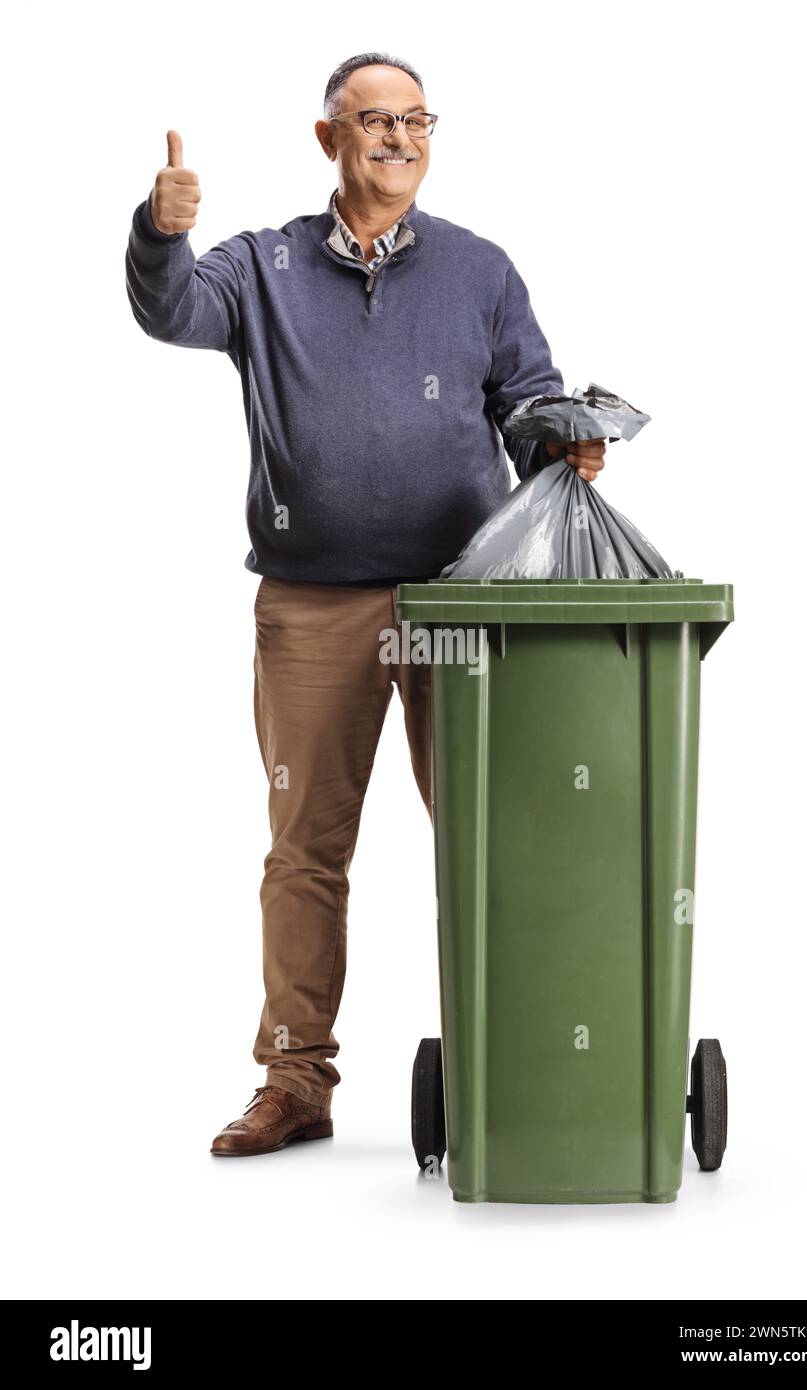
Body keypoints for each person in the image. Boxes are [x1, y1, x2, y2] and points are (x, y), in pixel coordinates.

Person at [125, 50, 606, 1157]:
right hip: (310, 607)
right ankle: (295, 1082)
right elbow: (173, 311)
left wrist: (562, 438)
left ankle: (505, 1062)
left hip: (462, 602)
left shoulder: (478, 269)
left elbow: (526, 396)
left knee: (492, 843)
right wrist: (161, 234)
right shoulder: (263, 266)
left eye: (414, 120)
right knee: (303, 851)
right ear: (326, 137)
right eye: (372, 120)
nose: (396, 137)